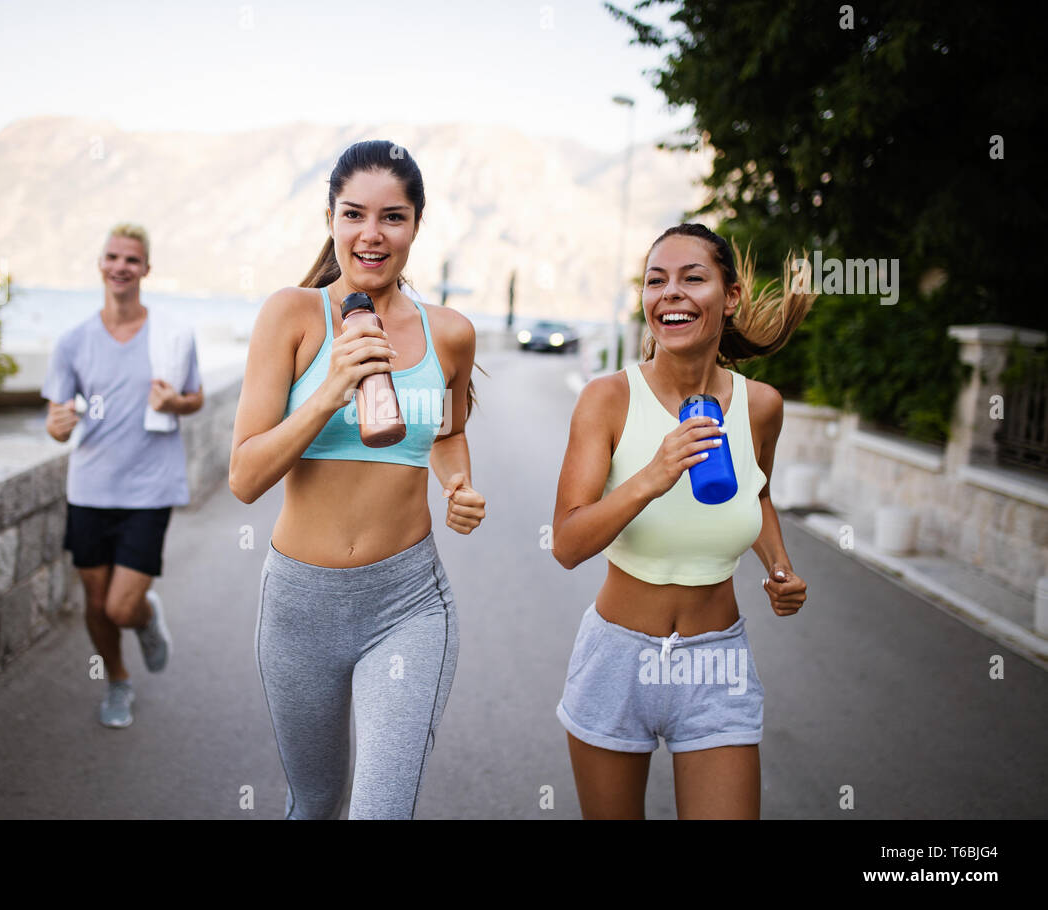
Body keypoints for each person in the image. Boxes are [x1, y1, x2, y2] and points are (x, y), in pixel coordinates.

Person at [229, 140, 485, 819]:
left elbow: (449, 430)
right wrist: (330, 390)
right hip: (299, 606)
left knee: (379, 811)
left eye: (392, 217)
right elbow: (245, 477)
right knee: (313, 803)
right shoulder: (291, 315)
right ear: (331, 220)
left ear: (416, 226)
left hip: (407, 605)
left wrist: (456, 484)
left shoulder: (452, 334)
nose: (372, 234)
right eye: (354, 215)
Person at [550, 223, 813, 819]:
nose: (670, 292)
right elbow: (566, 543)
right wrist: (651, 475)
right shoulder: (608, 399)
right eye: (655, 281)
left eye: (693, 278)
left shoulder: (762, 406)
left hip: (716, 661)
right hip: (616, 659)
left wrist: (780, 567)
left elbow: (760, 493)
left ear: (731, 296)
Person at [42, 223, 204, 728]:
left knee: (120, 606)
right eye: (112, 256)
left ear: (146, 269)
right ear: (100, 264)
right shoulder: (73, 342)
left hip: (149, 489)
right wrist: (58, 422)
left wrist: (175, 402)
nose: (120, 266)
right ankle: (117, 681)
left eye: (131, 260)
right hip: (90, 488)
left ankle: (146, 617)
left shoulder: (172, 335)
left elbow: (195, 396)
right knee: (95, 601)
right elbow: (55, 419)